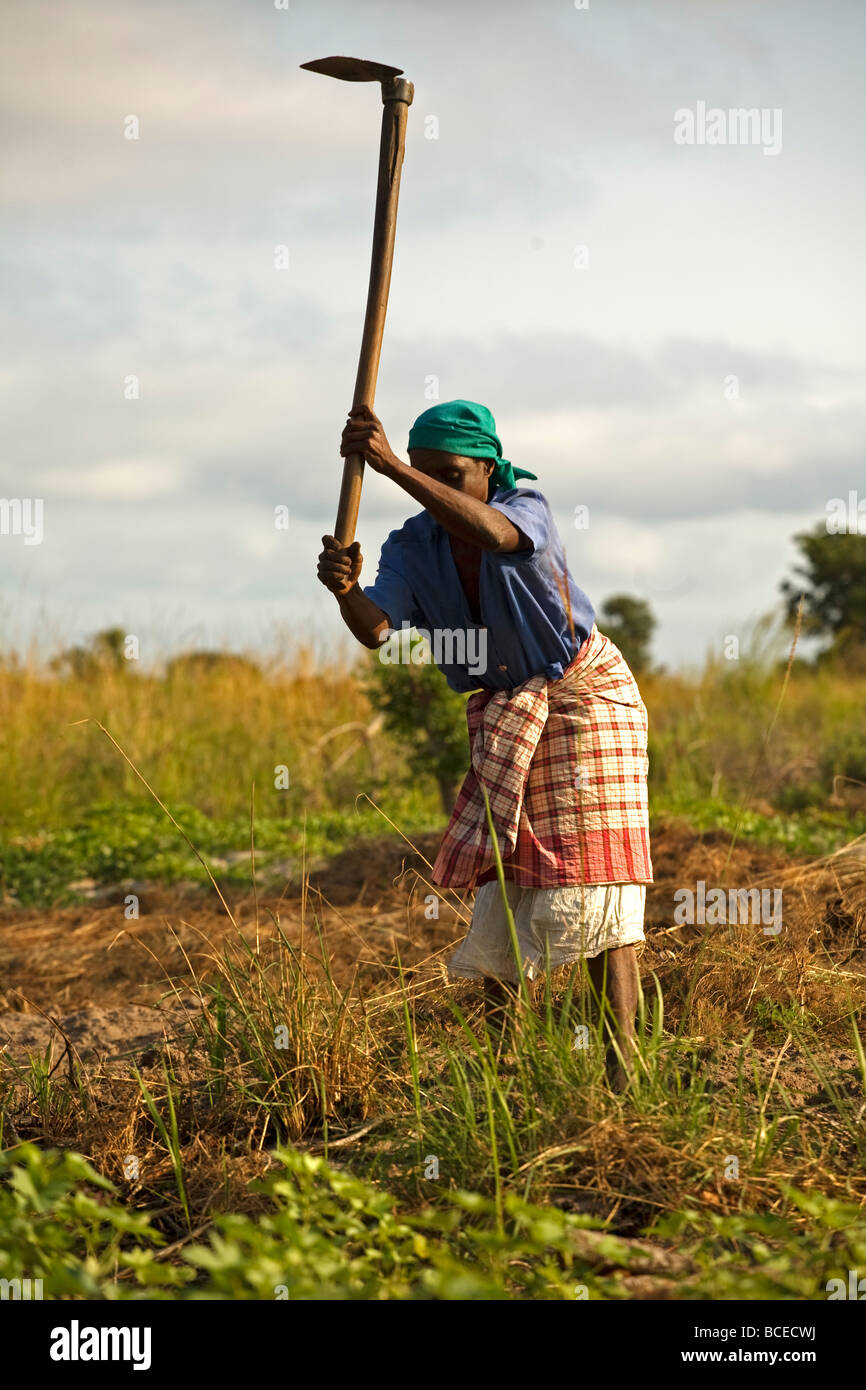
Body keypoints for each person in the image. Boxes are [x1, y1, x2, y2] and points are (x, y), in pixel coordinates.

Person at [316, 399, 653, 1087]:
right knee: (504, 873)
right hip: (505, 706)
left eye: (452, 473)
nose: (437, 483)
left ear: (488, 470)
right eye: (423, 470)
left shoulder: (525, 507)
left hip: (583, 696)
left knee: (594, 873)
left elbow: (498, 536)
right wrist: (347, 592)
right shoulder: (414, 545)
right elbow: (379, 630)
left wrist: (387, 466)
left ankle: (626, 1073)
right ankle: (509, 1068)